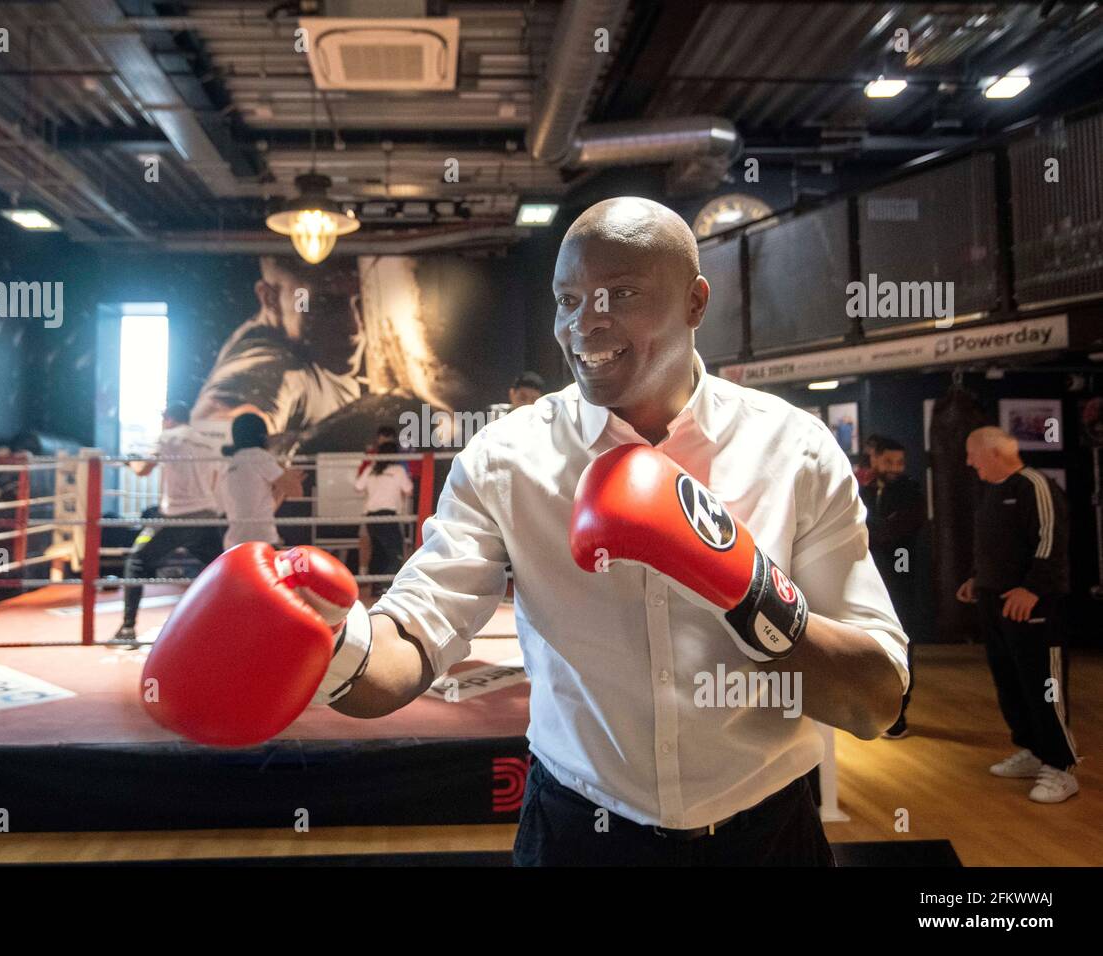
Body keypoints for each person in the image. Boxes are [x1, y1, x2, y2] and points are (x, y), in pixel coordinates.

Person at [144, 197, 908, 866]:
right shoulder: (508, 460)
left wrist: (747, 590)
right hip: (578, 831)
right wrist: (329, 640)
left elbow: (875, 702)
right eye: (568, 298)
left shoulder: (795, 449)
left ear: (695, 301)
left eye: (622, 294)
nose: (586, 322)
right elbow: (410, 648)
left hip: (764, 835)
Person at [957, 426, 1076, 803]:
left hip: (1033, 605)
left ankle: (1062, 766)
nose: (968, 461)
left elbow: (1050, 541)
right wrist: (980, 580)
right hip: (995, 603)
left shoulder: (1033, 486)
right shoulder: (991, 491)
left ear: (993, 452)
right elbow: (998, 546)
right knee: (1010, 682)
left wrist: (1033, 589)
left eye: (972, 453)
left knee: (1044, 684)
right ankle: (1032, 749)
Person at [190, 257, 363, 443]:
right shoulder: (274, 364)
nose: (354, 328)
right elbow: (212, 427)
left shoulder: (311, 348)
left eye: (360, 302)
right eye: (326, 305)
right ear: (270, 298)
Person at [114, 402, 225, 645]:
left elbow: (143, 469)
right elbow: (215, 479)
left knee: (136, 560)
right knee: (224, 572)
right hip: (206, 517)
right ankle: (240, 624)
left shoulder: (168, 437)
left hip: (176, 518)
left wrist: (129, 460)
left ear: (168, 419)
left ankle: (127, 629)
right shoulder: (208, 443)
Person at [860, 436, 925, 738]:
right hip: (867, 579)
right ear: (874, 459)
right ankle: (870, 709)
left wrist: (868, 528)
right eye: (889, 462)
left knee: (899, 644)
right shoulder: (863, 489)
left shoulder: (911, 491)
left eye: (900, 462)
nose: (896, 468)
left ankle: (898, 713)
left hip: (900, 579)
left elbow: (891, 531)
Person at [213, 413, 303, 551]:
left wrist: (283, 485)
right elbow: (297, 492)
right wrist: (285, 470)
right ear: (262, 434)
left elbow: (263, 508)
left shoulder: (229, 462)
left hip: (233, 544)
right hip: (262, 541)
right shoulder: (259, 456)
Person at [353, 440, 413, 597]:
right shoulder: (398, 470)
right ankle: (386, 586)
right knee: (395, 552)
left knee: (378, 551)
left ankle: (376, 586)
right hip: (388, 515)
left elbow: (358, 487)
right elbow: (409, 490)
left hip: (371, 517)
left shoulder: (371, 469)